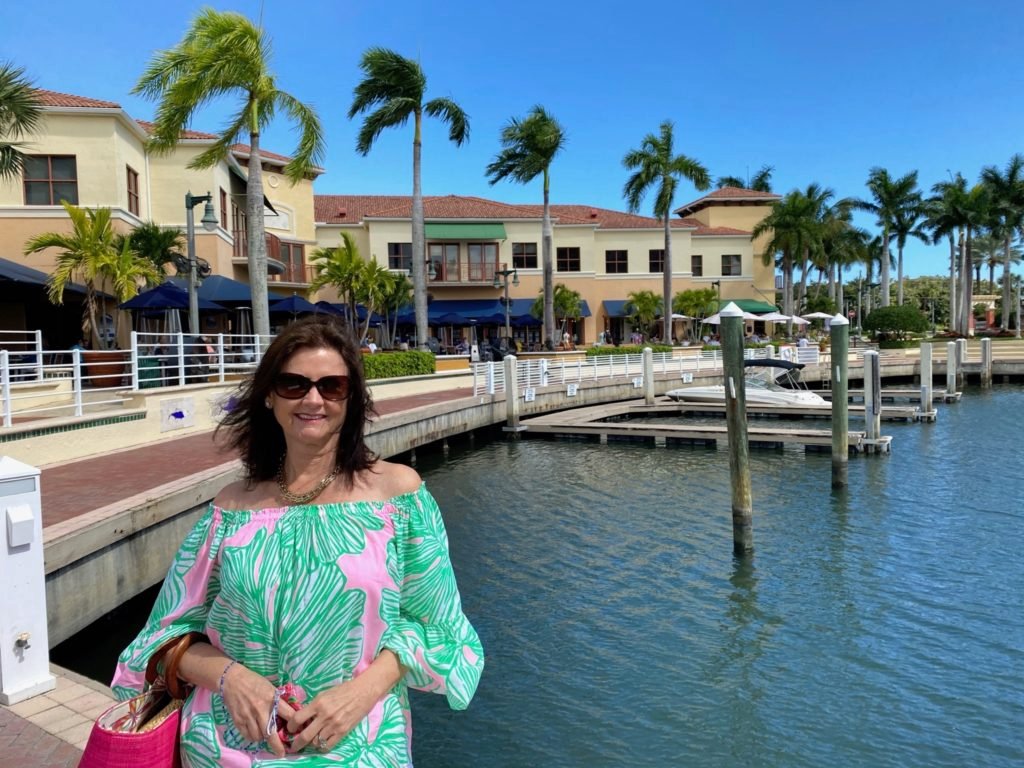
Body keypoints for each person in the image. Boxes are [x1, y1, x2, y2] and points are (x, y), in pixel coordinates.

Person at [111, 316, 484, 765]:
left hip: (356, 745)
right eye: (293, 384)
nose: (313, 398)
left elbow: (439, 627)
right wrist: (232, 678)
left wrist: (361, 692)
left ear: (352, 399)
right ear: (269, 396)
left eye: (332, 386)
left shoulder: (398, 497)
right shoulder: (231, 509)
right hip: (224, 749)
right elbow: (162, 637)